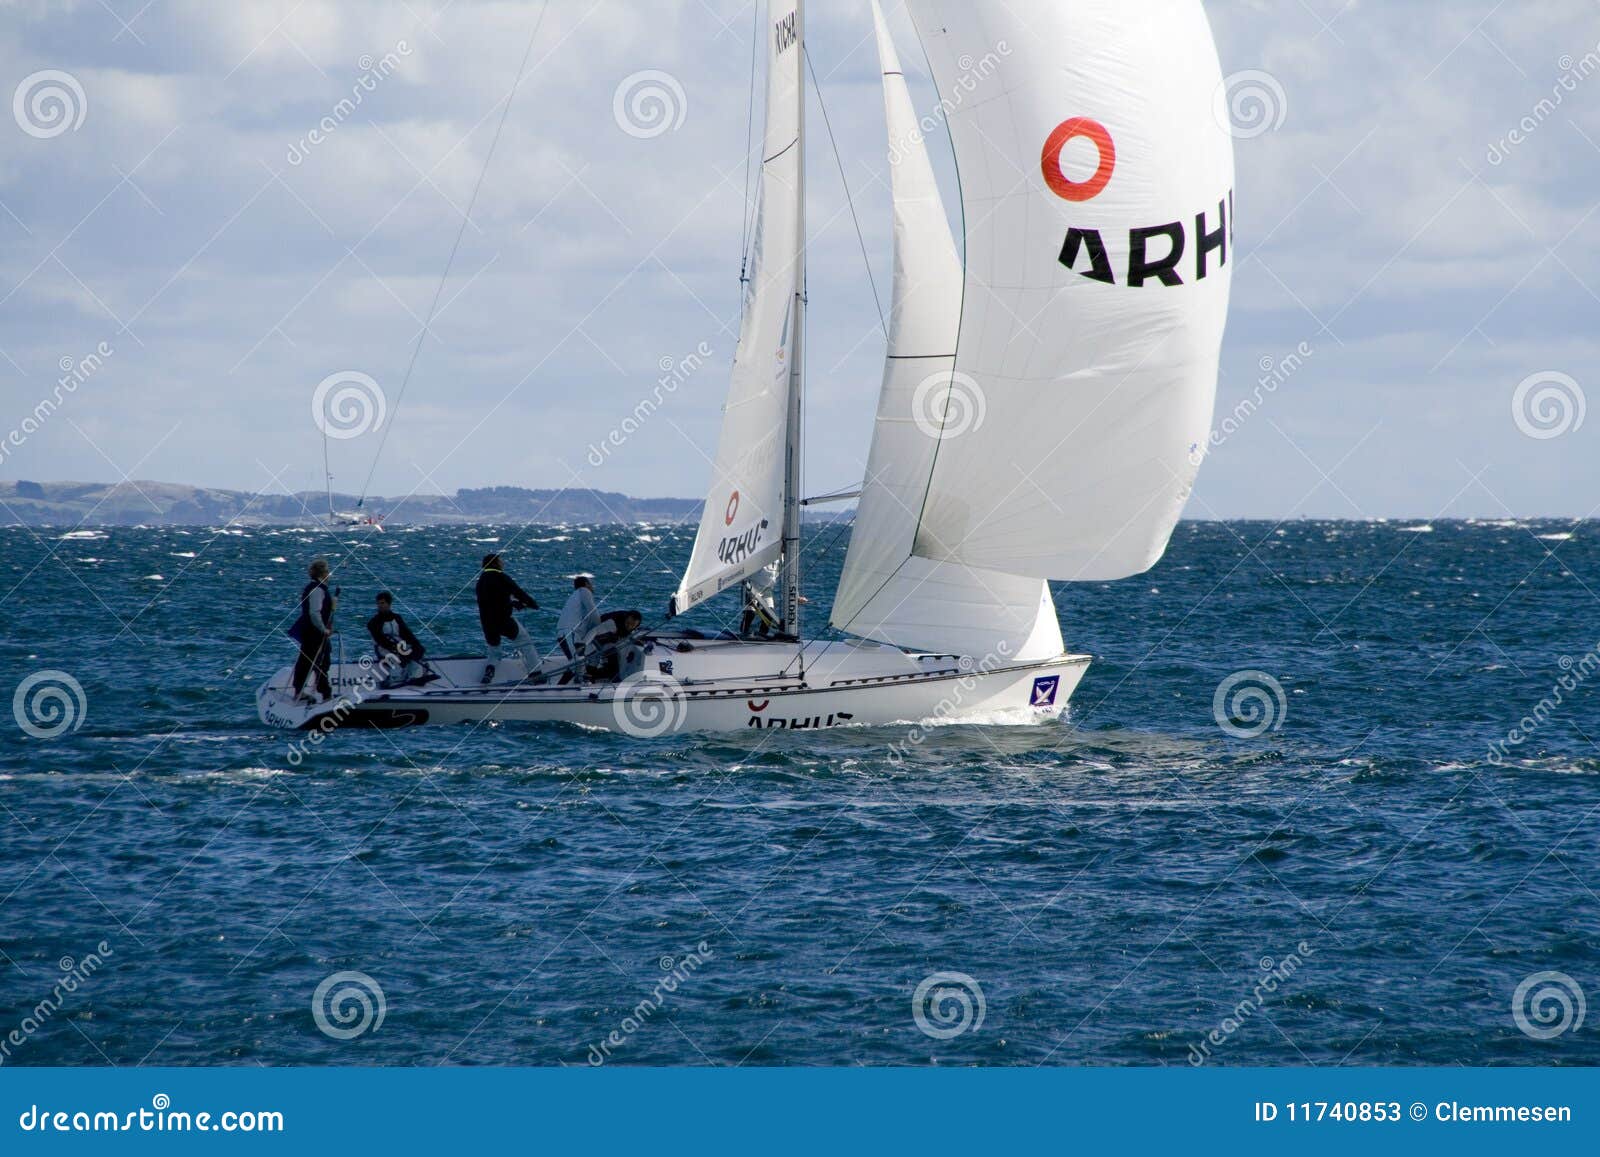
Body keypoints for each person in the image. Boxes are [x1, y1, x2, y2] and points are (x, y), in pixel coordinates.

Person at [476, 553, 540, 684]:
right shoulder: (501, 577)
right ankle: (536, 674)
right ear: (495, 563)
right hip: (503, 620)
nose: (503, 563)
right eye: (500, 561)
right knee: (525, 642)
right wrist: (532, 604)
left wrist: (511, 603)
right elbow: (518, 592)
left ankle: (489, 671)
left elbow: (491, 601)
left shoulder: (481, 580)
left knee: (495, 651)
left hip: (487, 622)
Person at [290, 558, 336, 704]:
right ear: (323, 573)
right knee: (319, 662)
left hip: (312, 632)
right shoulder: (317, 590)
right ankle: (325, 693)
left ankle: (302, 690)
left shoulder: (316, 588)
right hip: (314, 633)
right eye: (327, 571)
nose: (329, 574)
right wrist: (323, 629)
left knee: (311, 661)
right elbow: (314, 613)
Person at [367, 592, 432, 687]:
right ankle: (393, 679)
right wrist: (395, 648)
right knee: (397, 658)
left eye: (382, 603)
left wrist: (417, 645)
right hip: (383, 650)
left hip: (399, 646)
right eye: (378, 603)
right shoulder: (374, 622)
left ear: (389, 604)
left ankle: (414, 676)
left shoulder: (397, 618)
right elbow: (380, 640)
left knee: (416, 653)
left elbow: (407, 634)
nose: (380, 606)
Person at [555, 574, 602, 683]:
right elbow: (593, 612)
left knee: (587, 658)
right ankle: (561, 686)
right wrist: (600, 627)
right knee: (577, 662)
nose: (592, 587)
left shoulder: (575, 596)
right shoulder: (584, 591)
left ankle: (581, 681)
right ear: (586, 584)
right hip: (569, 633)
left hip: (570, 634)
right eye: (591, 584)